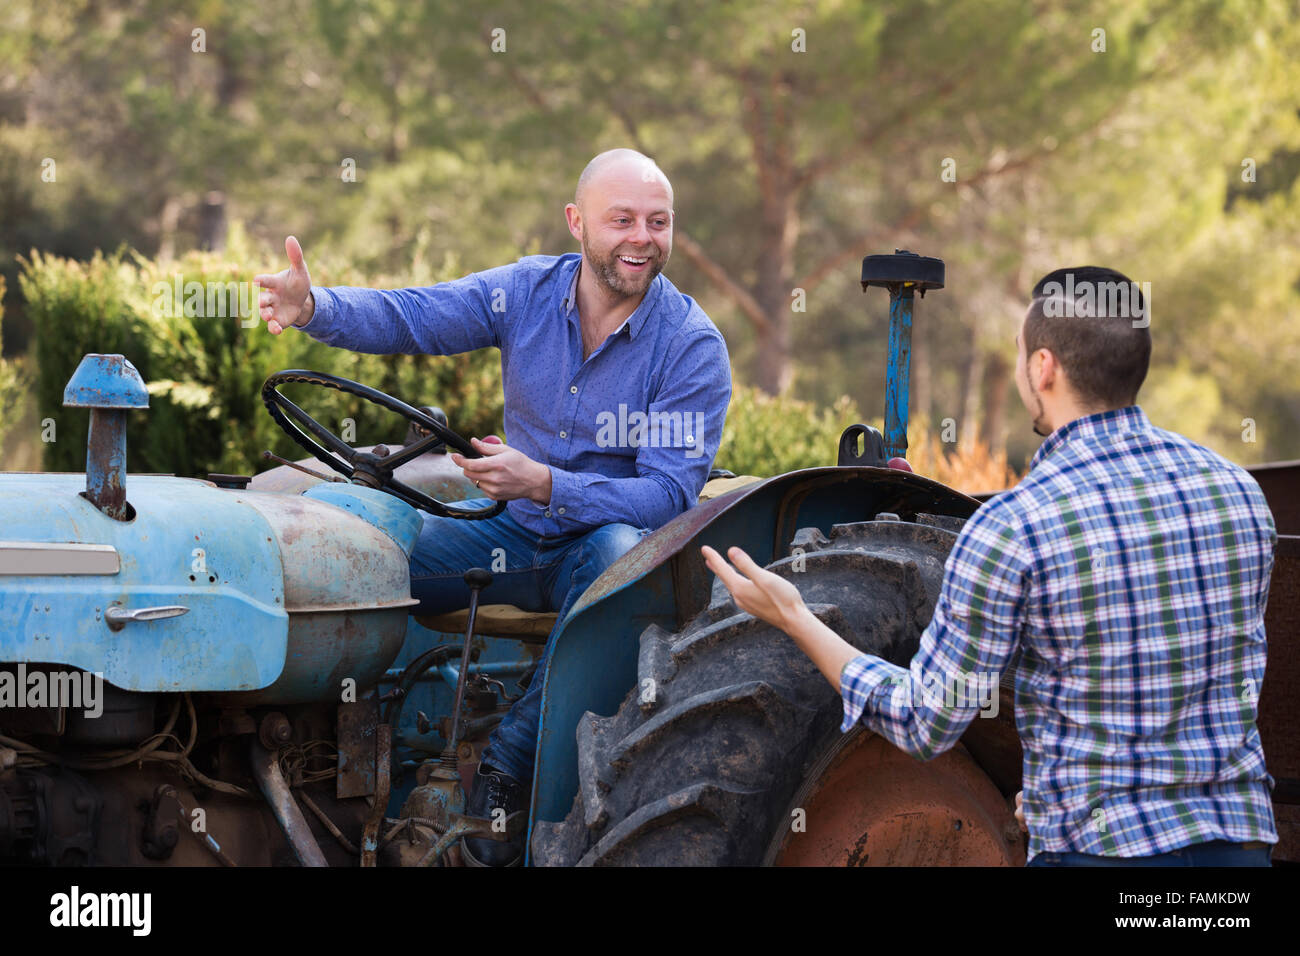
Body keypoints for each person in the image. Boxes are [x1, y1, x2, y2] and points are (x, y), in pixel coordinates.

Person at [703, 266, 1277, 867]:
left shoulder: (1016, 525)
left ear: (1043, 368)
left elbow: (925, 721)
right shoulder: (1236, 494)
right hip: (1233, 858)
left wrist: (795, 616)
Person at [255, 148, 732, 866]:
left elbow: (667, 496)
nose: (642, 237)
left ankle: (509, 763)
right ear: (577, 223)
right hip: (508, 538)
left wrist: (544, 483)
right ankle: (332, 756)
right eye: (622, 219)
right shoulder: (526, 293)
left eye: (658, 222)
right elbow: (415, 316)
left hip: (597, 553)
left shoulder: (690, 346)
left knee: (611, 555)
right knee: (360, 561)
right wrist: (315, 308)